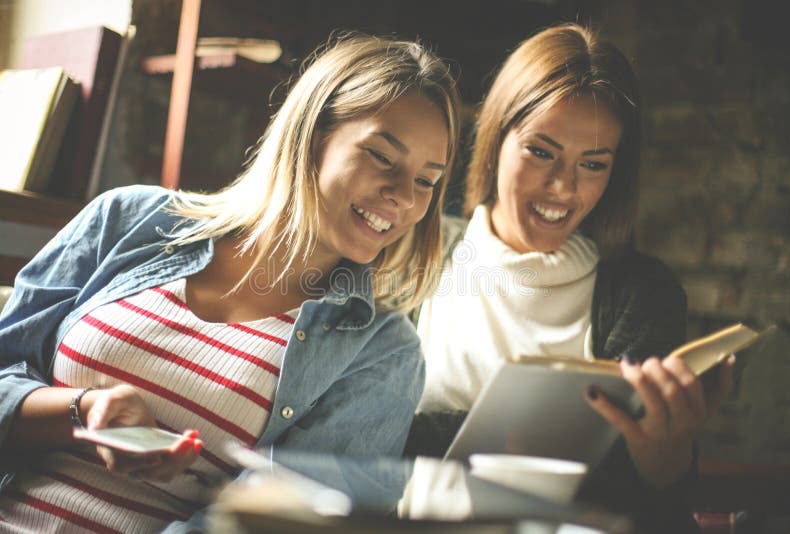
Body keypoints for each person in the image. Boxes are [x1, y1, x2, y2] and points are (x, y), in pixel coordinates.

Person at [0, 34, 460, 532]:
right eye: (382, 157)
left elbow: (279, 526)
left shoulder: (383, 354)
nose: (403, 196)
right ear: (311, 134)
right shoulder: (126, 218)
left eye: (426, 181)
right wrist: (79, 411)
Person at [407, 23, 733, 532]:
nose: (562, 188)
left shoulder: (643, 296)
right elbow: (358, 439)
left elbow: (644, 502)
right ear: (496, 138)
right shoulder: (413, 252)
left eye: (594, 164)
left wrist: (666, 463)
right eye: (541, 151)